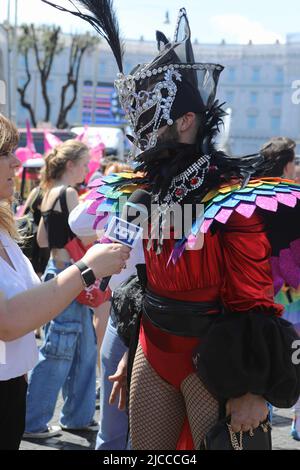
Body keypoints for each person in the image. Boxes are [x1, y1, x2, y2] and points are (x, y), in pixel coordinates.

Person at [45, 1, 300, 451]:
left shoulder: (231, 196)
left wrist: (254, 388)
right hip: (152, 347)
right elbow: (142, 272)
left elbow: (256, 296)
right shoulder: (144, 190)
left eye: (151, 122)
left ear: (185, 120)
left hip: (214, 358)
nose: (140, 134)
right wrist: (129, 346)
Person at [0, 114, 130, 450]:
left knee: (70, 354)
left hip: (12, 386)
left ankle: (65, 415)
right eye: (5, 153)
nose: (16, 162)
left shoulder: (6, 227)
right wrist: (87, 268)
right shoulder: (68, 194)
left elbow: (43, 242)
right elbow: (9, 322)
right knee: (71, 357)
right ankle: (68, 416)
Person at [23, 140, 125, 438]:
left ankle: (75, 416)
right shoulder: (68, 193)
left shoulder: (46, 192)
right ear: (70, 165)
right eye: (83, 164)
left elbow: (43, 239)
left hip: (63, 271)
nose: (86, 169)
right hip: (73, 274)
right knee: (62, 349)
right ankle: (35, 421)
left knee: (80, 348)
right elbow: (88, 232)